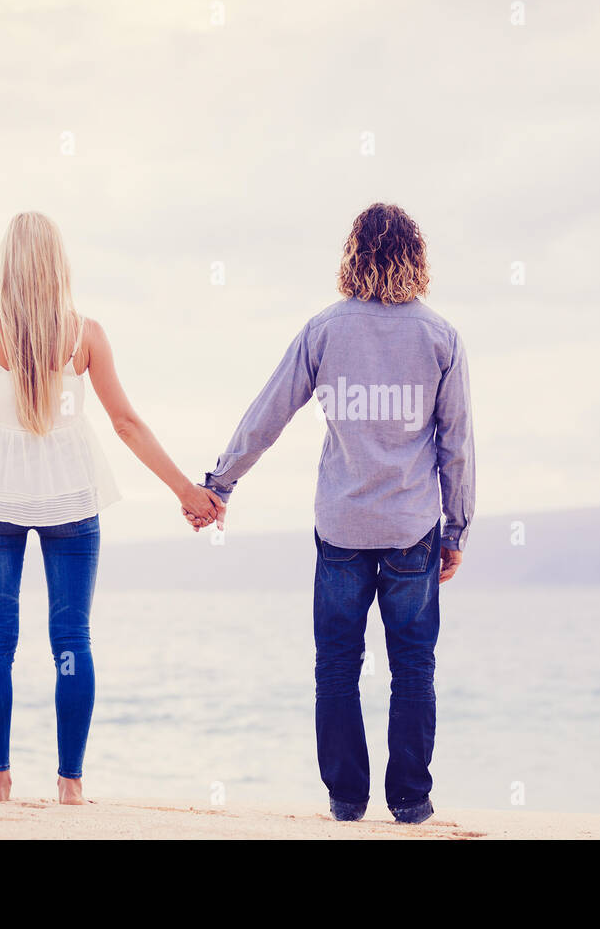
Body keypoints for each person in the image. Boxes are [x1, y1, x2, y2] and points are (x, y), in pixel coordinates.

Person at [194, 202, 475, 824]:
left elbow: (267, 414)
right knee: (413, 667)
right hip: (412, 532)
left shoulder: (324, 331)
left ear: (353, 256)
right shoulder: (440, 337)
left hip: (341, 530)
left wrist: (221, 483)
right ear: (415, 257)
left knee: (338, 666)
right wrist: (456, 527)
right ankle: (411, 802)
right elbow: (457, 442)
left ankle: (347, 802)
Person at [0, 211, 221, 805]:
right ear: (57, 265)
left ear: (7, 264)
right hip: (71, 494)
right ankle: (70, 786)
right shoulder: (84, 333)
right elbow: (126, 422)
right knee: (71, 640)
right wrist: (185, 491)